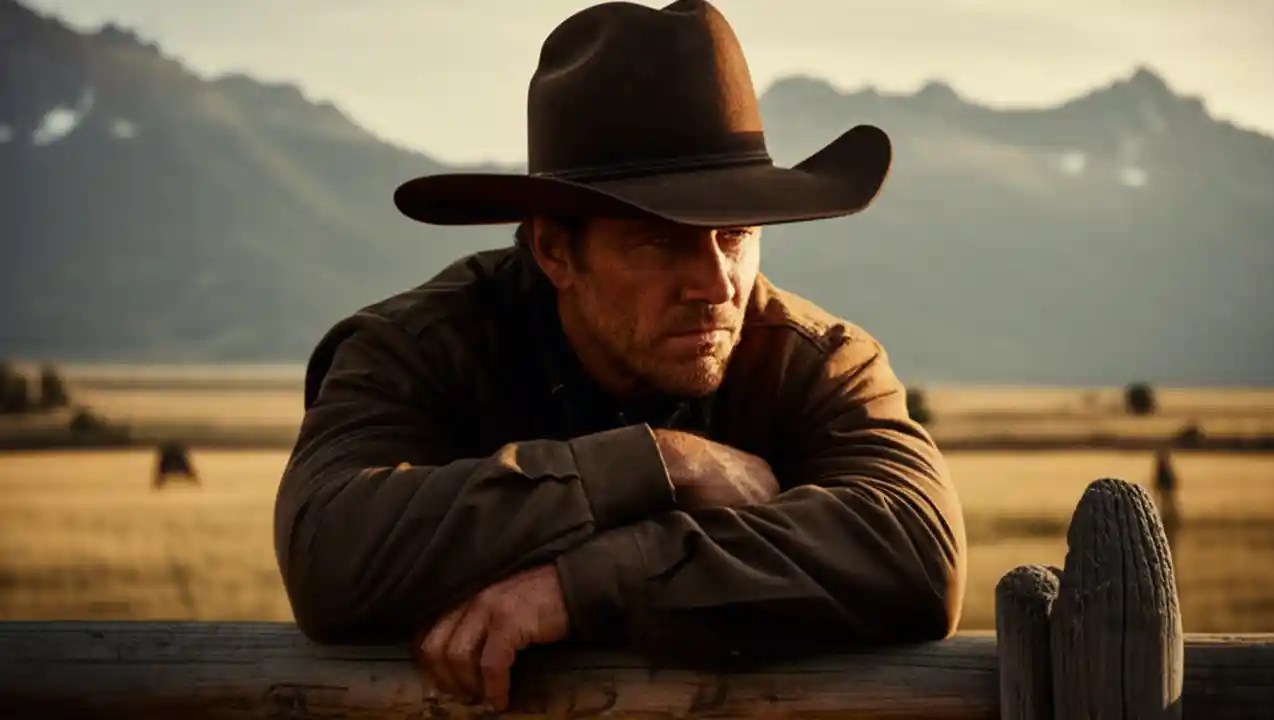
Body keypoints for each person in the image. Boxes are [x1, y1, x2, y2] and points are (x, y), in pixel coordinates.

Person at [273, 0, 966, 710]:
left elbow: (913, 547)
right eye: (659, 240)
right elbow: (329, 548)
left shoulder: (816, 359)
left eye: (736, 233)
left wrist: (587, 584)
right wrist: (659, 463)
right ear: (553, 248)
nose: (716, 283)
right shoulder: (419, 348)